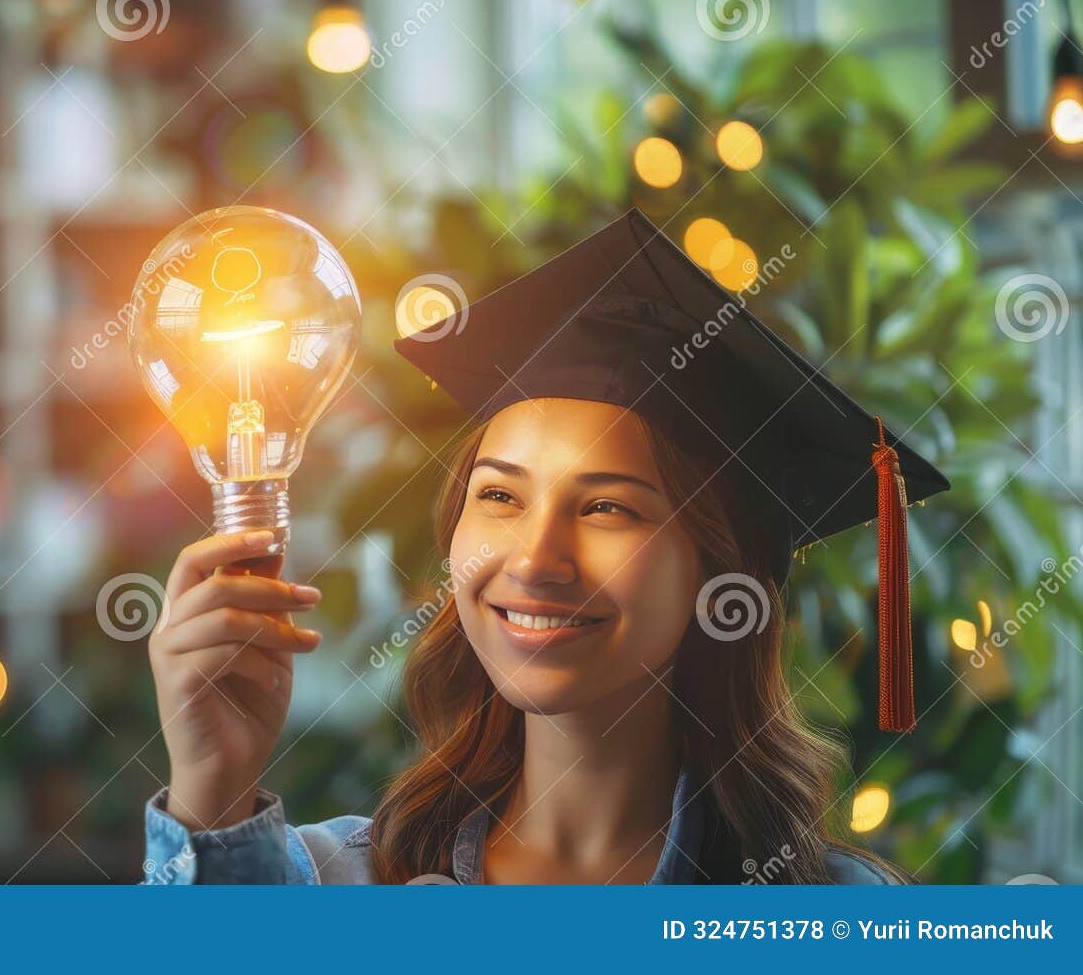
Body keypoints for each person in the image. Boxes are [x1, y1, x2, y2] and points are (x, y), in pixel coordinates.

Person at [139, 209, 948, 884]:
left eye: (606, 508)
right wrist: (212, 783)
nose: (532, 559)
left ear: (722, 569)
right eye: (498, 495)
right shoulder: (333, 885)